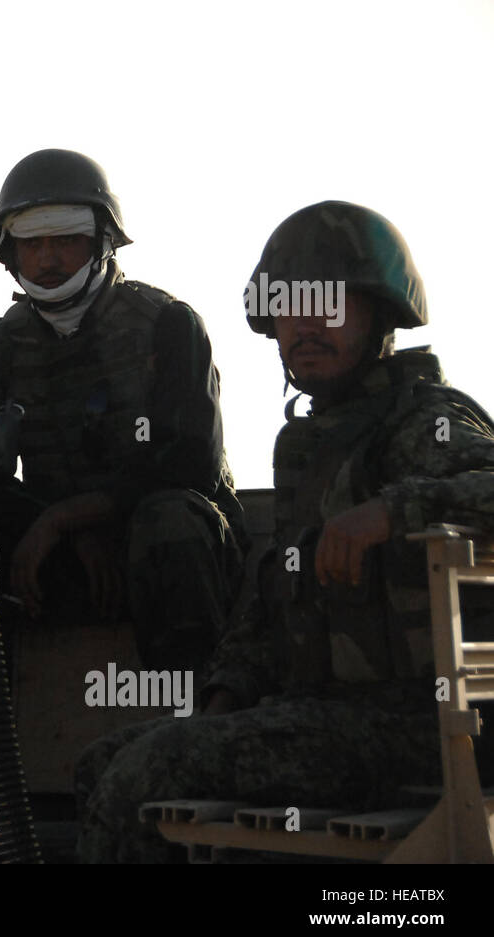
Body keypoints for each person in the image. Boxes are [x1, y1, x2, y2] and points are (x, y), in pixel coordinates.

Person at [75, 200, 494, 862]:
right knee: (103, 761)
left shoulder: (421, 423)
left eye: (329, 305)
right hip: (325, 716)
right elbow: (276, 602)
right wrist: (225, 693)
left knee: (143, 774)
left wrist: (393, 511)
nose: (305, 325)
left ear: (380, 314)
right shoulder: (311, 445)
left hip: (418, 726)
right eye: (289, 308)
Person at [0, 148, 245, 673]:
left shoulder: (169, 325)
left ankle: (196, 716)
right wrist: (58, 529)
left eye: (65, 240)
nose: (47, 260)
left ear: (103, 240)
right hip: (59, 550)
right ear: (9, 251)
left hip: (174, 548)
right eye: (32, 243)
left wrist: (66, 518)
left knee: (170, 519)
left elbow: (189, 466)